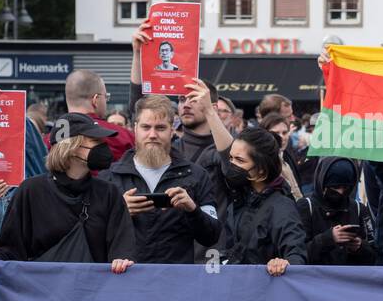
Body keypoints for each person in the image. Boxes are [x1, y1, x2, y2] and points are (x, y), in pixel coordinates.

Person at [0, 113, 136, 269]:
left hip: (91, 299)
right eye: (94, 140)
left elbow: (122, 248)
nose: (102, 146)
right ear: (71, 147)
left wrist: (122, 260)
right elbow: (10, 249)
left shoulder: (109, 193)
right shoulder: (31, 191)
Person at [101, 96, 222, 264]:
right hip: (126, 279)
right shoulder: (110, 177)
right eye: (146, 127)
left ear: (172, 130)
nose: (152, 135)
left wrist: (193, 210)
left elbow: (212, 236)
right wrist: (119, 213)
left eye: (160, 128)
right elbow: (91, 236)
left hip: (175, 280)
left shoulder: (196, 175)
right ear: (135, 129)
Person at [219, 127, 307, 273]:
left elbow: (296, 254)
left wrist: (284, 263)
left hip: (265, 292)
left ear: (261, 169)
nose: (231, 165)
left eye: (240, 160)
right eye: (231, 158)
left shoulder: (282, 208)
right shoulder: (238, 200)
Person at [296, 156, 376, 265]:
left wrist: (359, 246)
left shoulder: (358, 209)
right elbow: (296, 254)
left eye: (346, 187)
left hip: (349, 279)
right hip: (315, 279)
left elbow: (374, 255)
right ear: (323, 183)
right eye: (335, 187)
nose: (341, 192)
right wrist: (328, 239)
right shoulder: (306, 207)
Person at [62, 70, 133, 164]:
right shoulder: (122, 136)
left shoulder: (50, 139)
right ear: (95, 100)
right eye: (106, 97)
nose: (106, 101)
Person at [259, 113, 304, 201]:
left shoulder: (285, 160)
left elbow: (296, 192)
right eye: (275, 133)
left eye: (284, 132)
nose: (281, 137)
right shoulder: (261, 164)